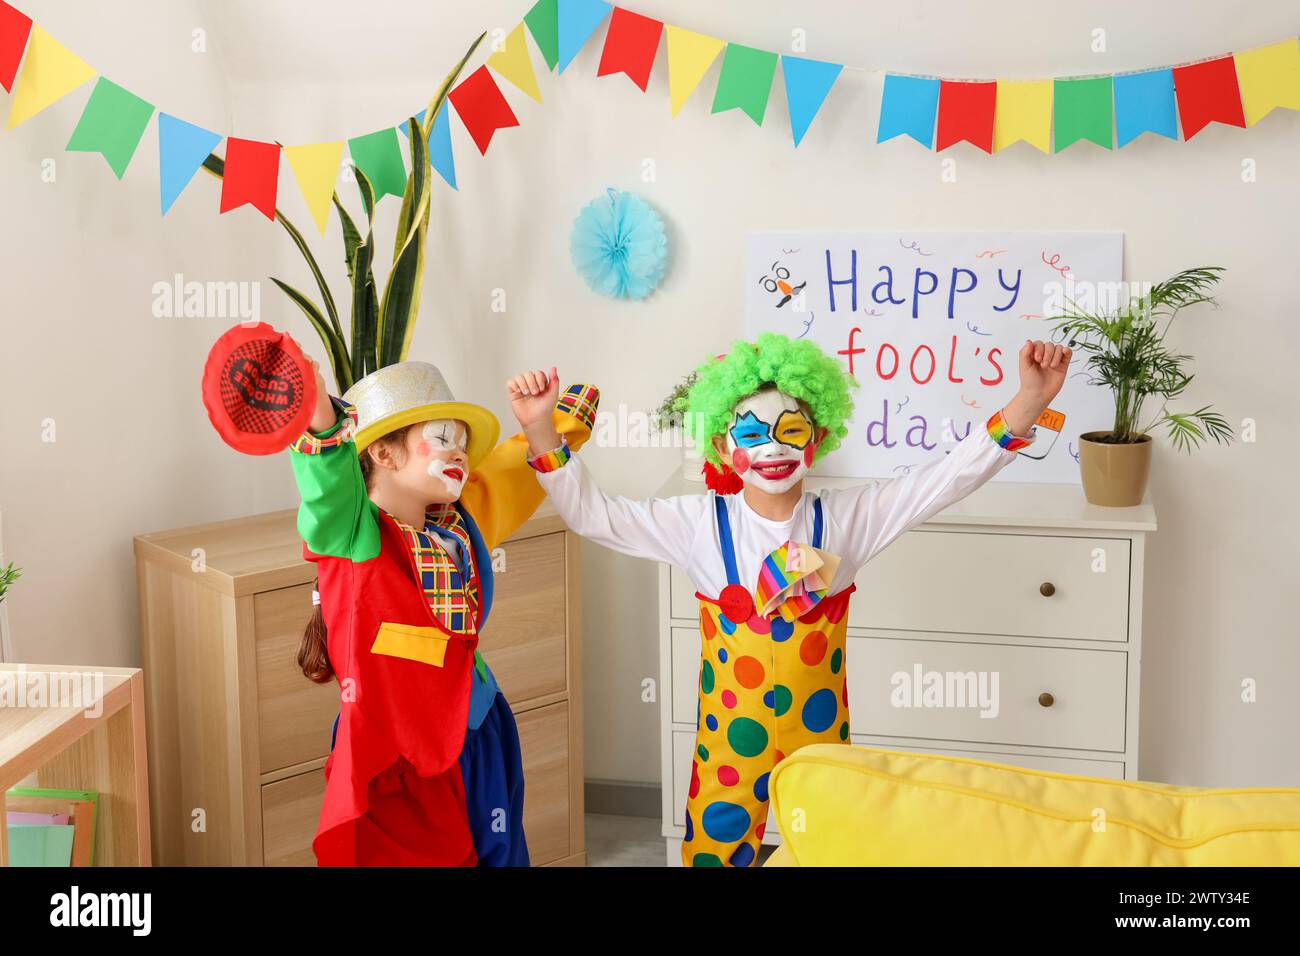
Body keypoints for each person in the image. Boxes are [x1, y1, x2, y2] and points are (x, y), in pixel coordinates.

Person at [522, 332, 1069, 866]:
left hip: (822, 735)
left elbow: (947, 479)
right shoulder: (697, 523)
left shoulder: (848, 519)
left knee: (837, 843)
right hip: (730, 744)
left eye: (791, 430)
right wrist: (539, 427)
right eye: (753, 434)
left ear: (818, 436)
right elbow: (594, 515)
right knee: (713, 848)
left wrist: (1029, 401)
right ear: (721, 446)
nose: (775, 448)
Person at [291, 352, 599, 865]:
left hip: (479, 724)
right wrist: (320, 415)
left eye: (461, 440)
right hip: (399, 747)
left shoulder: (457, 522)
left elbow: (508, 471)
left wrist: (550, 419)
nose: (458, 453)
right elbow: (328, 487)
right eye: (441, 438)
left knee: (499, 848)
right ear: (384, 455)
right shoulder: (354, 537)